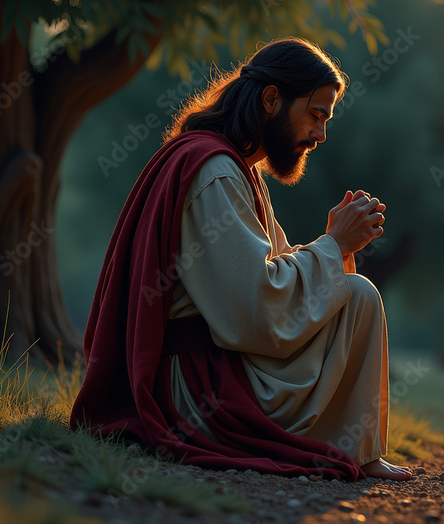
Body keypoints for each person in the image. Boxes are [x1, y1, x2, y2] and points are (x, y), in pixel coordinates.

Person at [70, 37, 412, 482]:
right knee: (358, 291)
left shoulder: (239, 170)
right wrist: (331, 245)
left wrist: (335, 245)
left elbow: (278, 273)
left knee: (357, 296)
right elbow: (254, 306)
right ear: (272, 99)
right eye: (315, 115)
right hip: (198, 389)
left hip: (223, 366)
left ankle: (359, 451)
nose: (320, 134)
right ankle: (342, 449)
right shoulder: (215, 171)